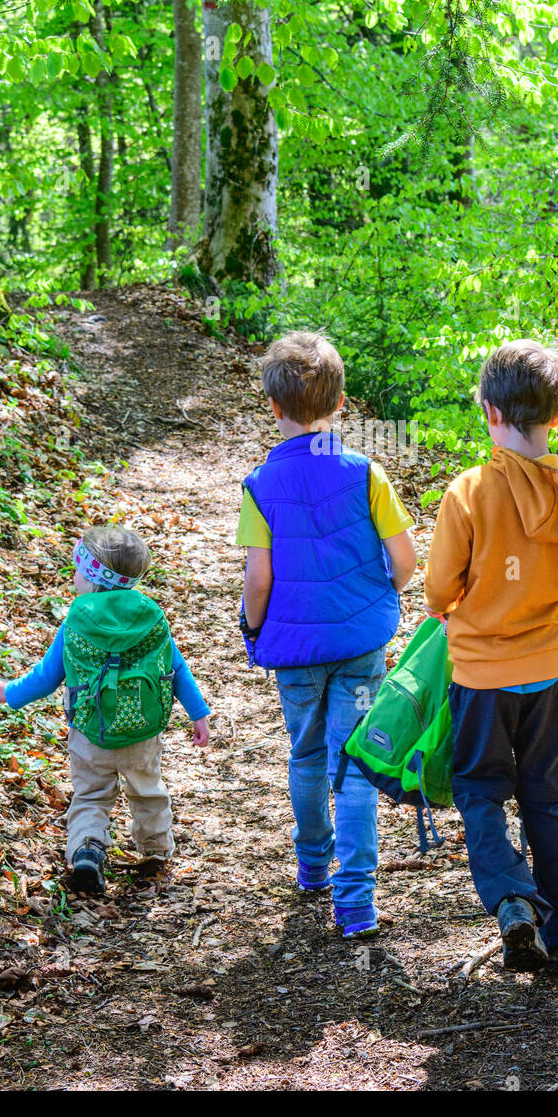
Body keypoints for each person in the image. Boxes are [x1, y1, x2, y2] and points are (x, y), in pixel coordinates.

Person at [424, 340, 558, 972]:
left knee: (479, 790)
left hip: (480, 679)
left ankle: (512, 898)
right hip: (548, 675)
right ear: (556, 418)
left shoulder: (468, 492)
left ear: (490, 412)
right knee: (548, 799)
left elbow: (437, 592)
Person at [238, 332, 416, 938]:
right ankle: (357, 901)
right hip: (363, 647)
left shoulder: (260, 486)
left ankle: (312, 865)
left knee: (307, 753)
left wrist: (253, 626)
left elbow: (258, 578)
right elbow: (405, 561)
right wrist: (378, 589)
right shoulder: (367, 474)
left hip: (294, 653)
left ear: (273, 406)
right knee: (357, 762)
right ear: (341, 405)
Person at [0, 525, 210, 893]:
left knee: (92, 794)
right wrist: (198, 713)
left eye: (77, 569)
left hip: (91, 732)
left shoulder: (76, 621)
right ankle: (156, 852)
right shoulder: (150, 617)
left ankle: (87, 851)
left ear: (91, 576)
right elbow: (177, 669)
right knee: (147, 789)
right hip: (142, 730)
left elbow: (46, 679)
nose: (73, 577)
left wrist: (8, 693)